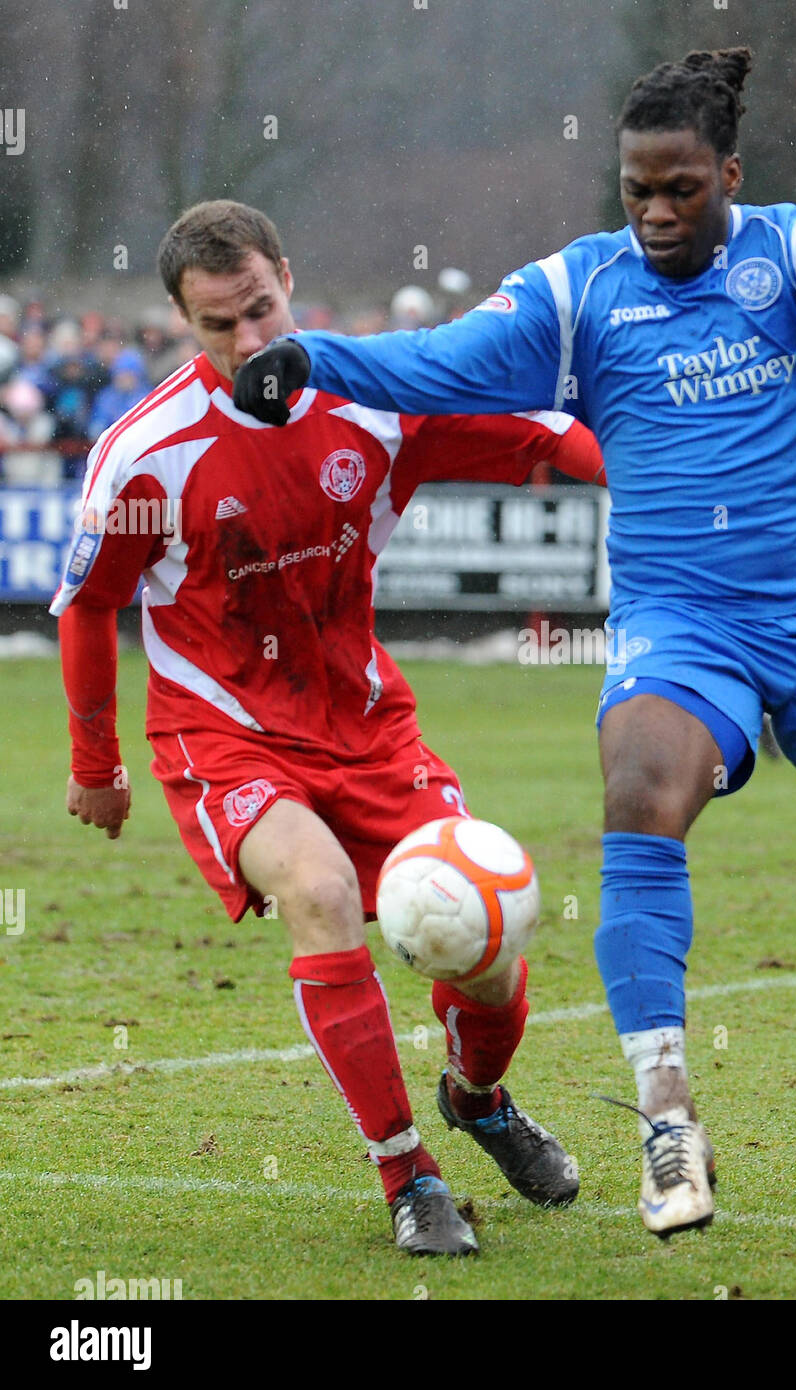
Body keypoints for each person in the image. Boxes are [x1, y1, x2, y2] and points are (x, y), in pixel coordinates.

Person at [234, 49, 796, 1239]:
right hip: (681, 620)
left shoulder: (793, 257)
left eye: (683, 190)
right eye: (636, 191)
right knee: (637, 794)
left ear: (730, 175)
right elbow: (446, 360)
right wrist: (319, 360)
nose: (658, 213)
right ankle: (667, 1114)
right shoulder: (580, 293)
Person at [52, 199, 606, 1256]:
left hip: (368, 725)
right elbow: (88, 606)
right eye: (219, 325)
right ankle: (409, 1173)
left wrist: (652, 472)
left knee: (490, 948)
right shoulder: (145, 452)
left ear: (289, 280)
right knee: (319, 890)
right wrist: (95, 761)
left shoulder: (376, 407)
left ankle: (477, 1098)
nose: (249, 341)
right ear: (184, 322)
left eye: (260, 309)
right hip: (223, 734)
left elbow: (543, 435)